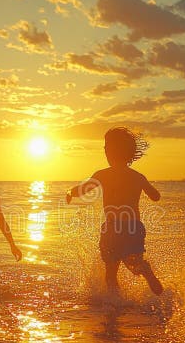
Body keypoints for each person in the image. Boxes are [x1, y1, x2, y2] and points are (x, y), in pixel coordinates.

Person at [66, 127, 163, 296]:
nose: (104, 150)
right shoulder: (138, 176)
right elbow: (156, 196)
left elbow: (82, 190)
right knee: (134, 264)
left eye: (106, 147)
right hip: (133, 227)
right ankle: (145, 270)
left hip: (112, 228)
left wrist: (69, 192)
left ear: (110, 151)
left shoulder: (103, 175)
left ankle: (114, 304)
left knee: (111, 273)